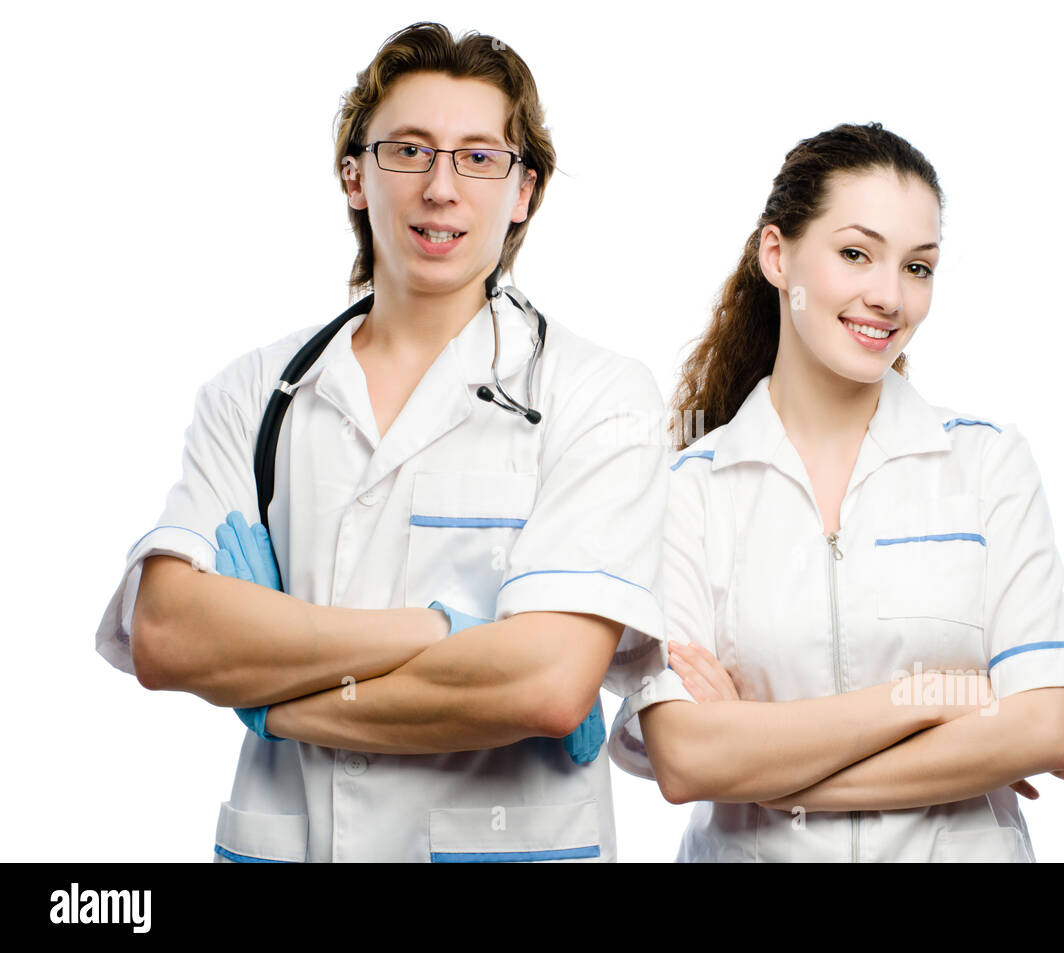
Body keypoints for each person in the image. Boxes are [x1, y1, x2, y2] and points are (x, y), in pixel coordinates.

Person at [93, 22, 670, 863]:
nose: (441, 187)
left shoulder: (598, 395)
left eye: (479, 156)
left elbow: (545, 685)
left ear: (525, 191)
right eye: (409, 150)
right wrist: (447, 633)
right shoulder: (256, 392)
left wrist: (270, 695)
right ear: (355, 176)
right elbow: (167, 634)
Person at [608, 122, 1064, 862]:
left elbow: (1041, 728)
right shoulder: (687, 490)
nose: (889, 297)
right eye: (855, 254)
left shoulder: (986, 462)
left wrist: (772, 765)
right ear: (777, 256)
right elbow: (686, 759)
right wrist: (938, 700)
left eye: (919, 267)